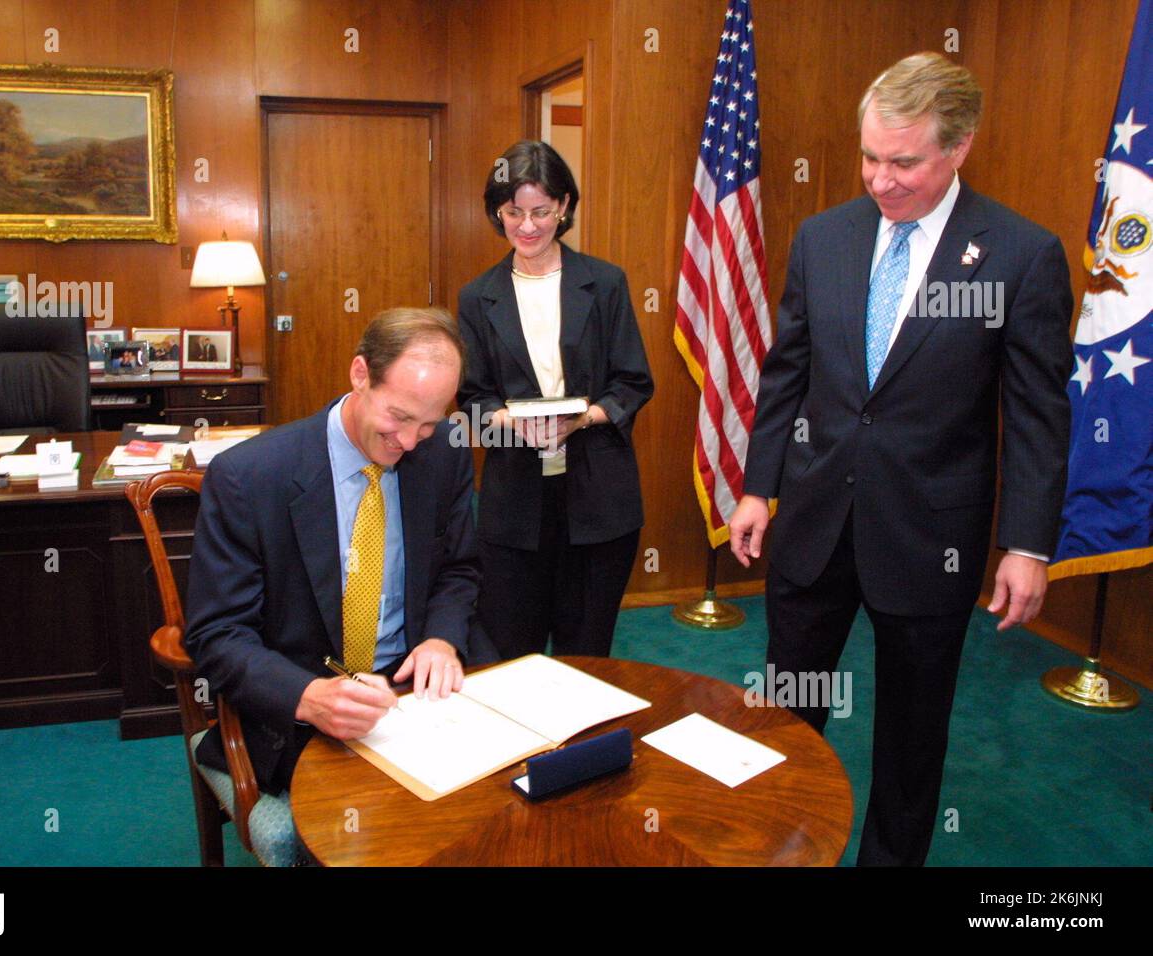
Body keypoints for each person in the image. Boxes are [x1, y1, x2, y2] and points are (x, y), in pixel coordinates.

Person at [728, 53, 1073, 866]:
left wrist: (1027, 545)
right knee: (787, 712)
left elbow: (1036, 412)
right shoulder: (825, 238)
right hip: (814, 522)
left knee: (913, 735)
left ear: (959, 149)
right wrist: (757, 486)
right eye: (870, 158)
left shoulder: (1021, 255)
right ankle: (779, 847)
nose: (881, 180)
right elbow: (790, 372)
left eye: (904, 163)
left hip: (929, 538)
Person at [184, 307, 496, 795]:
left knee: (506, 792)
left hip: (414, 692)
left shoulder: (444, 454)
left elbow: (458, 569)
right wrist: (308, 697)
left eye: (429, 424)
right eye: (399, 417)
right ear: (359, 375)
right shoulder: (249, 477)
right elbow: (217, 634)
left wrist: (439, 639)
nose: (411, 442)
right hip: (302, 706)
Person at [457, 140, 654, 660]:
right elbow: (471, 396)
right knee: (509, 654)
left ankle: (586, 747)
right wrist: (508, 421)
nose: (527, 226)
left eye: (541, 211)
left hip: (598, 500)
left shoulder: (605, 283)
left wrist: (584, 418)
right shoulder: (477, 296)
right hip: (514, 505)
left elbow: (633, 382)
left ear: (564, 206)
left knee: (586, 654)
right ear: (497, 212)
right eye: (513, 212)